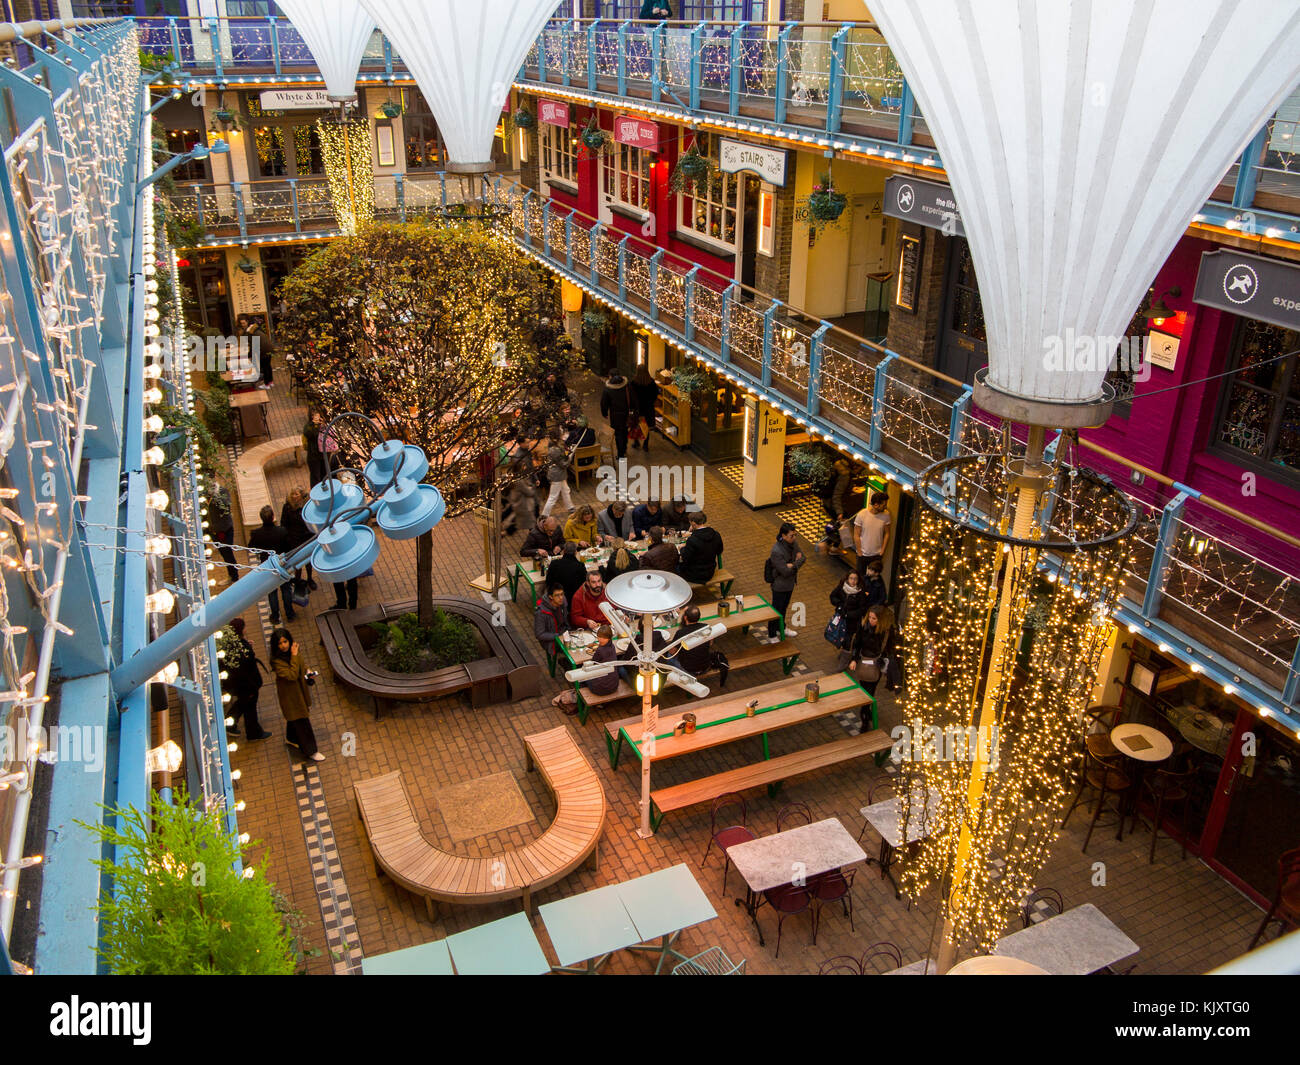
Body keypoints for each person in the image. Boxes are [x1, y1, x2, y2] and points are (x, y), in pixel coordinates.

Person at [271, 628, 323, 761]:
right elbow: (292, 675)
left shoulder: (293, 651)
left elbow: (301, 665)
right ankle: (311, 751)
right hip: (291, 697)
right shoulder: (277, 661)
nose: (283, 645)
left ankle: (291, 738)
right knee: (302, 721)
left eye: (285, 641)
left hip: (299, 692)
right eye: (280, 643)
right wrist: (294, 655)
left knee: (294, 718)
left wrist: (308, 671)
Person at [845, 605, 900, 731]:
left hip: (876, 664)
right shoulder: (863, 627)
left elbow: (890, 647)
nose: (871, 620)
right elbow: (857, 643)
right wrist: (854, 659)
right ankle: (866, 713)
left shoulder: (886, 631)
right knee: (865, 689)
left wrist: (885, 660)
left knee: (870, 690)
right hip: (863, 662)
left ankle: (865, 714)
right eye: (869, 617)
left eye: (874, 618)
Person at [224, 618, 271, 740]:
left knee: (242, 703)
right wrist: (252, 686)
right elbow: (245, 667)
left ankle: (230, 723)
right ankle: (253, 733)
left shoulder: (232, 644)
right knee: (249, 708)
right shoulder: (240, 648)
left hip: (240, 685)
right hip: (247, 685)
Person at [247, 505, 294, 624]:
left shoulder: (256, 534)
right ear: (273, 517)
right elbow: (289, 547)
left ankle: (275, 615)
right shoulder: (282, 531)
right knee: (286, 589)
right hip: (281, 563)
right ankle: (289, 614)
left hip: (268, 566)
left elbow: (251, 548)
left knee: (272, 592)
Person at [767, 521, 804, 641]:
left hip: (790, 584)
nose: (794, 538)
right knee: (776, 609)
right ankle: (772, 633)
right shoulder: (776, 551)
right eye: (791, 536)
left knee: (784, 607)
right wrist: (795, 563)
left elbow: (803, 557)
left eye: (795, 535)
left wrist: (792, 565)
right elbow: (785, 571)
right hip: (780, 586)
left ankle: (781, 627)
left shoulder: (794, 543)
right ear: (783, 536)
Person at [281, 487, 315, 594]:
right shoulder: (287, 507)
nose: (293, 496)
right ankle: (298, 581)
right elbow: (284, 523)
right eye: (292, 494)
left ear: (301, 495)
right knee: (298, 563)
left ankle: (310, 578)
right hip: (294, 539)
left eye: (296, 494)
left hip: (306, 538)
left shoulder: (307, 507)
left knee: (308, 562)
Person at [677, 510, 723, 584]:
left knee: (675, 567)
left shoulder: (692, 540)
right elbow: (719, 550)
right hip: (710, 571)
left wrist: (682, 548)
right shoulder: (716, 534)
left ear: (693, 523)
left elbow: (685, 558)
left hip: (695, 574)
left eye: (690, 524)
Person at [853, 491, 892, 576]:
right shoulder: (862, 515)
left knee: (874, 579)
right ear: (876, 505)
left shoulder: (886, 515)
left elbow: (887, 533)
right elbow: (856, 534)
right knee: (861, 578)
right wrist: (859, 552)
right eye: (884, 505)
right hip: (863, 554)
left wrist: (882, 551)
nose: (885, 507)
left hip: (877, 555)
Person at [599, 368, 635, 459]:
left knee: (618, 433)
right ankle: (624, 448)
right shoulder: (627, 385)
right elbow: (633, 398)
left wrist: (604, 412)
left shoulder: (608, 388)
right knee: (625, 430)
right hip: (626, 413)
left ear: (610, 376)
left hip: (615, 415)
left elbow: (604, 402)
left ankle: (620, 454)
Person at [208, 482, 240, 583]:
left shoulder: (223, 493)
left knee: (228, 554)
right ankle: (232, 575)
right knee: (224, 553)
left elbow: (226, 507)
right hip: (214, 530)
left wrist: (216, 497)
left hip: (224, 531)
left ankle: (234, 576)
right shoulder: (207, 494)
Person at [829, 569, 869, 648]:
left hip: (852, 621)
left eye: (855, 579)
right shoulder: (842, 586)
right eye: (851, 578)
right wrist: (839, 605)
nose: (853, 581)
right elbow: (832, 596)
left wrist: (849, 614)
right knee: (838, 632)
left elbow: (862, 609)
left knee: (848, 638)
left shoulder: (861, 592)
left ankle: (845, 653)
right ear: (847, 578)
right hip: (841, 616)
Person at [503, 450, 539, 536]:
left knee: (518, 521)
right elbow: (529, 492)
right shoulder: (519, 481)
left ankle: (503, 531)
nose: (525, 467)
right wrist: (532, 487)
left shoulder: (516, 477)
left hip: (519, 503)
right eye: (524, 466)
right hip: (523, 504)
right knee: (528, 520)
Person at [540, 432, 573, 517]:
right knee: (553, 497)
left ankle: (570, 507)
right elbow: (563, 464)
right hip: (557, 475)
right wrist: (570, 457)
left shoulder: (554, 446)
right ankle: (544, 515)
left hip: (559, 474)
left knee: (566, 490)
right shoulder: (555, 450)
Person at [534, 584, 570, 656]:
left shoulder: (563, 601)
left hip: (565, 633)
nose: (561, 598)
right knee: (572, 651)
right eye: (557, 595)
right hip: (551, 640)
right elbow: (539, 634)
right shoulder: (541, 612)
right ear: (550, 596)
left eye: (562, 594)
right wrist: (558, 636)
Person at [630, 363, 659, 453]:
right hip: (648, 409)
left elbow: (631, 396)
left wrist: (631, 407)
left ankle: (636, 442)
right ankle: (645, 445)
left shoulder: (634, 382)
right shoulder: (651, 382)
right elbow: (655, 394)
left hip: (638, 408)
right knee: (646, 427)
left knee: (636, 426)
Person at [303, 410, 327, 487]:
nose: (317, 417)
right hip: (313, 455)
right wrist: (315, 425)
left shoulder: (323, 424)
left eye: (318, 415)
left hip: (323, 454)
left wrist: (322, 424)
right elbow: (310, 434)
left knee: (324, 474)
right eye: (314, 415)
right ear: (311, 417)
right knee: (315, 477)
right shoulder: (308, 426)